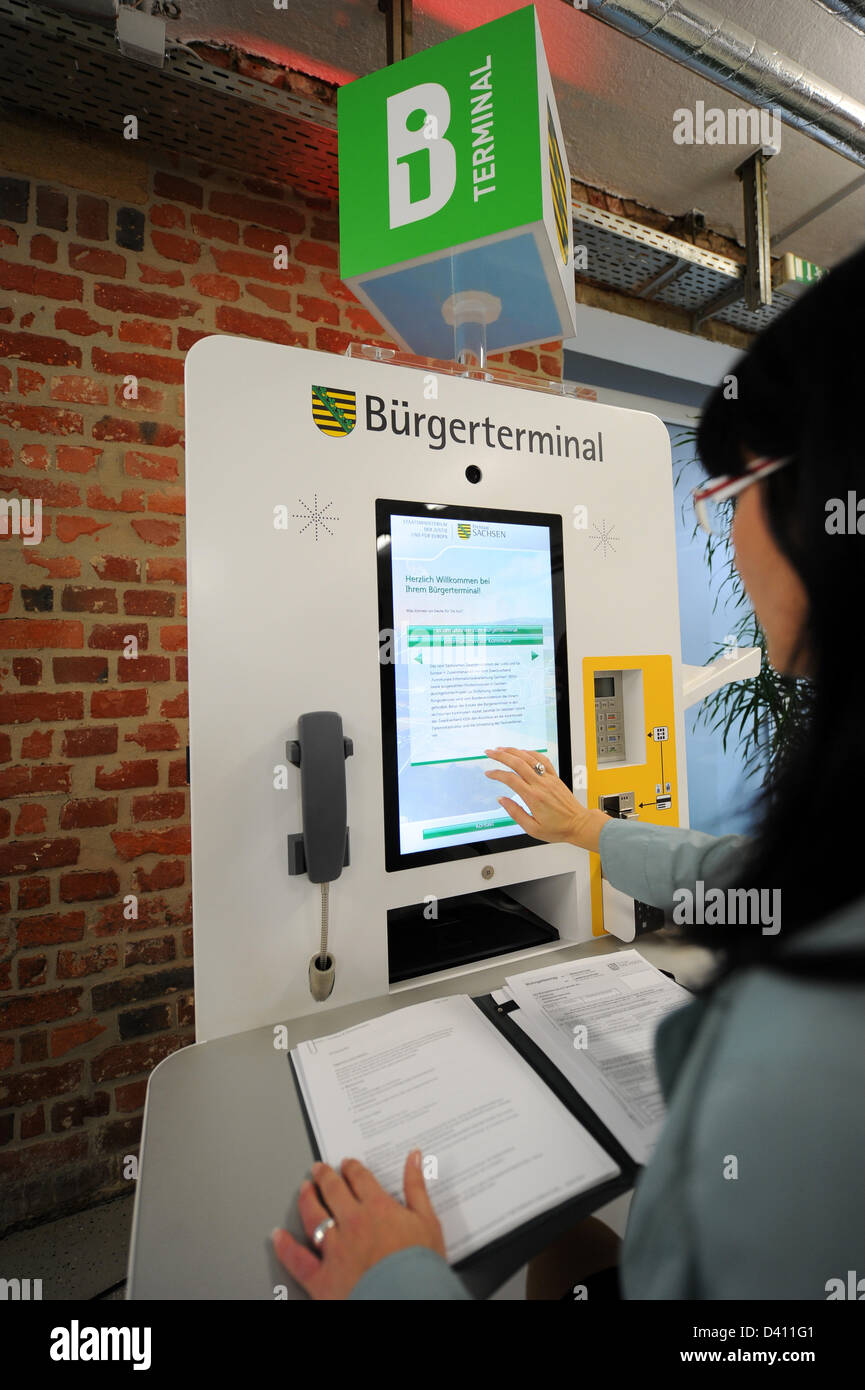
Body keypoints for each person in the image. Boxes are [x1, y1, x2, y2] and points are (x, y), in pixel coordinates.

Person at [272, 242, 865, 1301]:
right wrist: (589, 830)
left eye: (728, 490)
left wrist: (395, 1278)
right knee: (567, 1242)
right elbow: (747, 869)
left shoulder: (812, 1071)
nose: (723, 535)